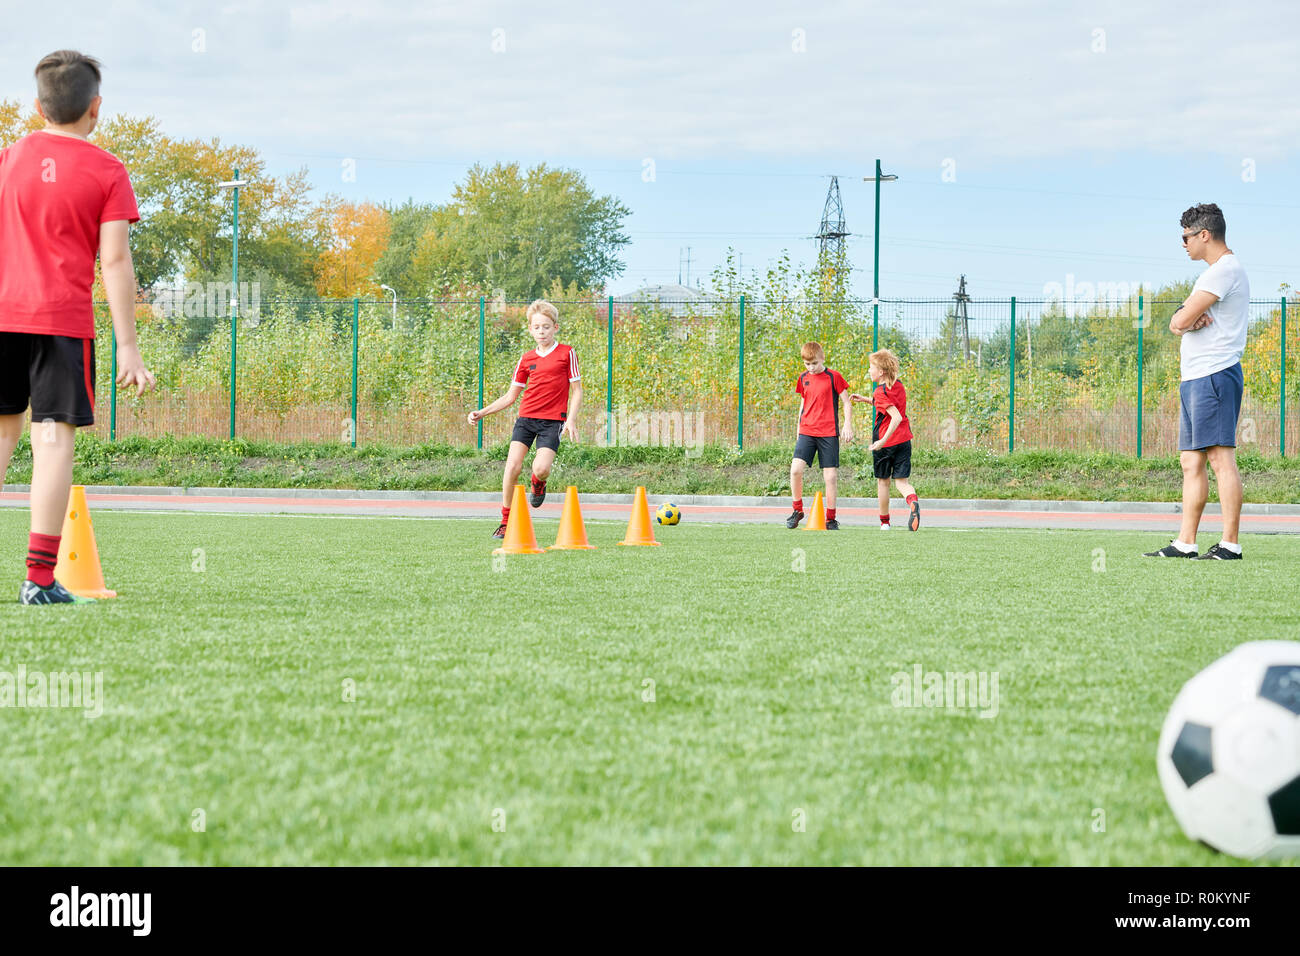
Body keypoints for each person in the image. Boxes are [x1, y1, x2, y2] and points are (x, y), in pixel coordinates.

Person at [0, 50, 155, 604]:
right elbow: (114, 262)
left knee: (1, 433)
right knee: (51, 442)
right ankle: (39, 579)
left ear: (37, 106)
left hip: (3, 317)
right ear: (97, 109)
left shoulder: (7, 160)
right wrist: (129, 347)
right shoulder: (108, 171)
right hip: (61, 324)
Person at [1143, 203, 1248, 560]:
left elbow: (1179, 320)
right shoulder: (1212, 274)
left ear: (1205, 235)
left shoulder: (1223, 271)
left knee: (1220, 458)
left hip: (1215, 374)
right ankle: (1186, 543)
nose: (1184, 244)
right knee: (1191, 461)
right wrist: (1184, 317)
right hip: (1195, 378)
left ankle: (1230, 544)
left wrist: (1184, 318)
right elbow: (1180, 318)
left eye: (1186, 237)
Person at [468, 299, 581, 538]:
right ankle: (506, 521)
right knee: (512, 467)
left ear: (556, 328)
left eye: (547, 327)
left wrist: (571, 420)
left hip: (553, 422)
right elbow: (510, 397)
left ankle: (537, 483)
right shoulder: (526, 359)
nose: (542, 332)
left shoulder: (567, 353)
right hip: (526, 419)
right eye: (537, 327)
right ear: (530, 329)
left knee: (540, 469)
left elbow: (577, 391)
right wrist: (482, 412)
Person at [850, 348, 919, 531]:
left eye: (871, 368)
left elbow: (894, 417)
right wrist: (866, 399)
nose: (868, 371)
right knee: (902, 483)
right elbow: (888, 405)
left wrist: (881, 441)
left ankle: (885, 522)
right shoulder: (898, 385)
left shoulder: (880, 392)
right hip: (904, 440)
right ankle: (912, 501)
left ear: (881, 372)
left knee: (883, 481)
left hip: (886, 442)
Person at [786, 342, 853, 530]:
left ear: (822, 358)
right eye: (807, 364)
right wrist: (798, 427)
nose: (811, 368)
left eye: (814, 363)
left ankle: (830, 518)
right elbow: (803, 403)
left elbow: (847, 403)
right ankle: (797, 510)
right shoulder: (803, 378)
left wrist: (847, 424)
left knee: (830, 477)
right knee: (795, 470)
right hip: (807, 431)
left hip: (828, 433)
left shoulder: (834, 377)